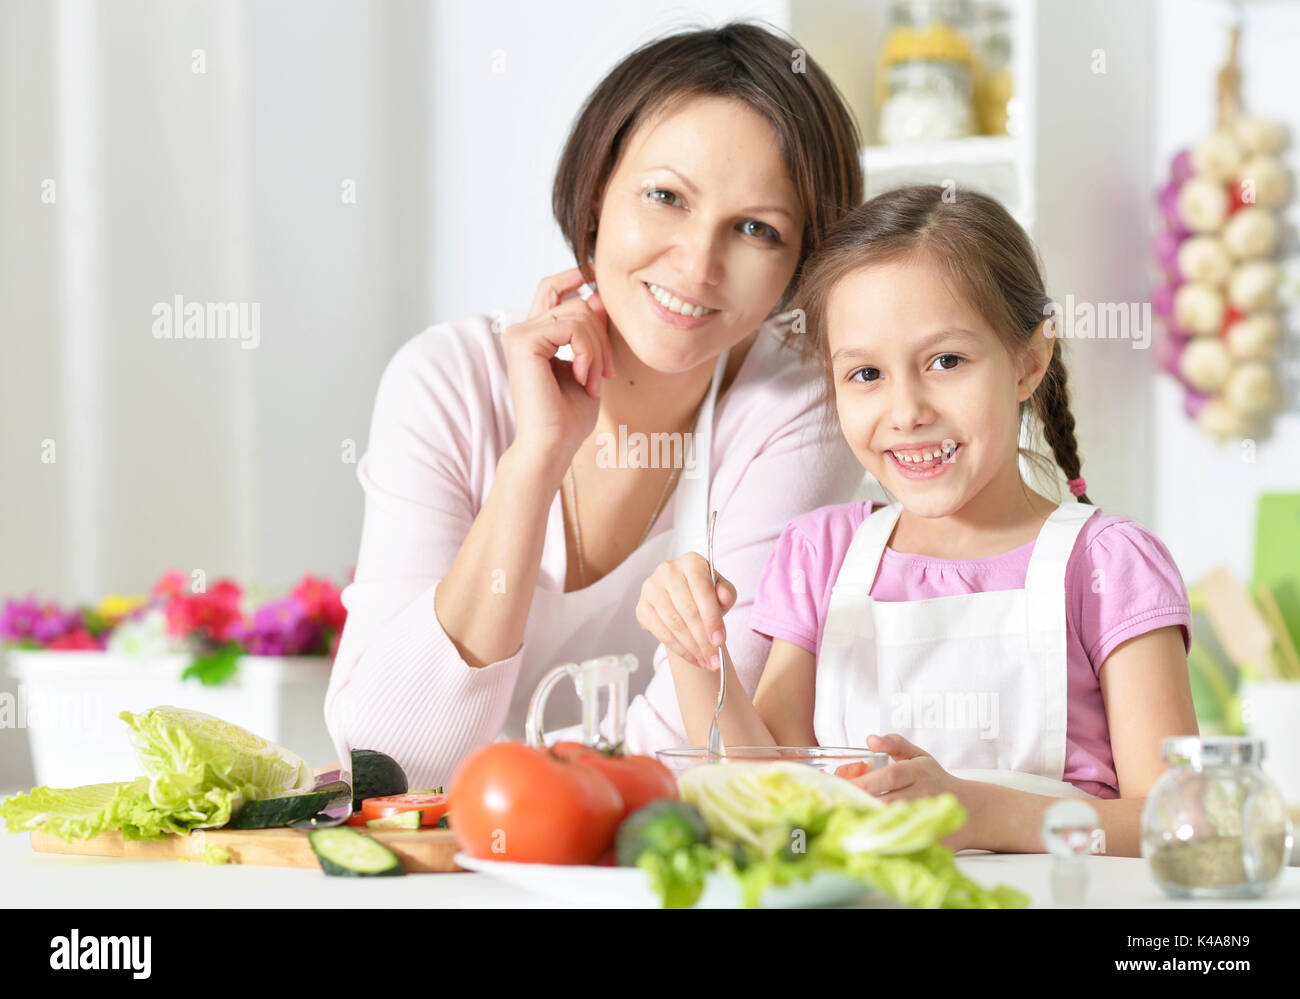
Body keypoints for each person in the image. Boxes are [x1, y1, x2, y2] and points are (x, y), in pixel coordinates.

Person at [324, 21, 869, 789]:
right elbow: (388, 761)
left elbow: (704, 744)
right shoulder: (446, 383)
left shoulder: (800, 408)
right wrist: (533, 463)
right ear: (596, 194)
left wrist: (529, 808)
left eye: (756, 228)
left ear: (799, 264)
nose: (698, 264)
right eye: (665, 196)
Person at [638, 185, 1198, 858]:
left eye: (946, 361)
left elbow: (1182, 824)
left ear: (1028, 362)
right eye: (867, 372)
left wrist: (983, 812)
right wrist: (695, 650)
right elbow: (771, 798)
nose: (905, 411)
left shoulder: (1108, 564)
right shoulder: (821, 554)